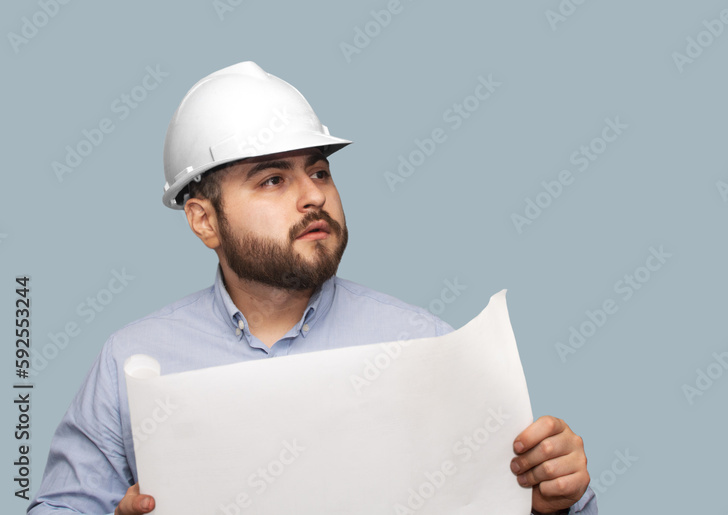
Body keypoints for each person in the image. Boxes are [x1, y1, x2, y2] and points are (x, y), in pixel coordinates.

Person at [28, 62, 597, 515]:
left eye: (319, 171)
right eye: (274, 179)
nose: (313, 196)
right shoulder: (131, 361)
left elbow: (496, 501)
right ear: (204, 220)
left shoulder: (423, 345)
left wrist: (554, 503)